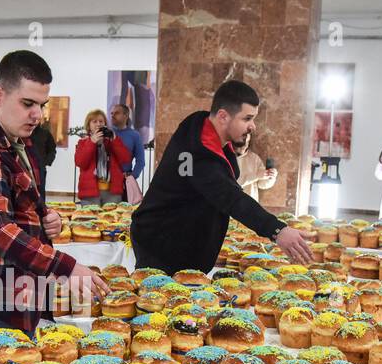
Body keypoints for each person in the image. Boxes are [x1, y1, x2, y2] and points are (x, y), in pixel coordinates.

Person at [0, 49, 106, 339]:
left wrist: (47, 220)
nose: (37, 114)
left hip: (10, 300)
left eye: (41, 104)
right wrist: (66, 266)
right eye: (28, 103)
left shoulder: (15, 143)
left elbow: (19, 205)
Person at [131, 80, 313, 273]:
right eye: (247, 118)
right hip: (162, 246)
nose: (253, 126)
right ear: (223, 116)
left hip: (179, 240)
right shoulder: (197, 154)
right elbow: (231, 197)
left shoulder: (202, 126)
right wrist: (278, 230)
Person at [74, 109, 131, 205]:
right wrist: (92, 142)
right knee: (90, 218)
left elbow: (126, 159)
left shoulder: (112, 142)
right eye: (94, 121)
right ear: (89, 126)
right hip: (90, 192)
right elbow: (81, 163)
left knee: (111, 218)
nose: (98, 124)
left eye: (101, 121)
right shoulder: (83, 143)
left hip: (112, 192)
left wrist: (115, 140)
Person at [109, 103, 146, 198]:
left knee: (123, 211)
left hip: (123, 182)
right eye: (112, 113)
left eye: (116, 113)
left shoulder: (135, 135)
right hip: (105, 180)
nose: (112, 115)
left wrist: (132, 177)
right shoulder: (107, 133)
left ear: (126, 115)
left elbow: (140, 161)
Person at [234, 131, 276, 202]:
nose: (245, 145)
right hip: (231, 206)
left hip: (250, 207)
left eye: (248, 142)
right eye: (243, 141)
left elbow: (262, 185)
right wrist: (256, 175)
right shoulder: (225, 157)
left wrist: (270, 177)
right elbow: (231, 184)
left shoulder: (254, 158)